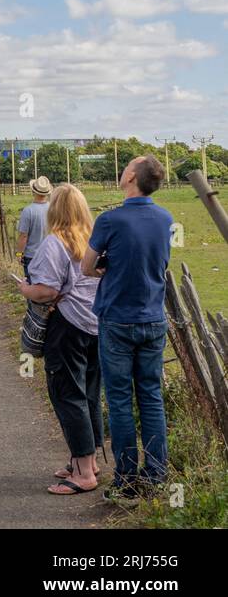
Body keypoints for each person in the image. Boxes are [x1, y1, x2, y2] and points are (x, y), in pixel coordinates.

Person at [83, 155, 173, 501]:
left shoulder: (110, 220)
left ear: (132, 177)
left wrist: (105, 267)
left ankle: (127, 478)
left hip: (117, 319)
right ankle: (157, 475)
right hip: (152, 318)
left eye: (127, 166)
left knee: (119, 400)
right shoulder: (165, 218)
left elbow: (86, 267)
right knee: (151, 397)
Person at [16, 184, 102, 495]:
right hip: (96, 323)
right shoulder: (96, 240)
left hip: (67, 324)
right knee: (89, 393)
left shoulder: (55, 243)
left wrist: (25, 289)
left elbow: (47, 290)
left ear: (55, 210)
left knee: (67, 394)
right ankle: (88, 460)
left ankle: (82, 473)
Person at [17, 176, 52, 278]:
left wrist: (19, 254)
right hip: (50, 254)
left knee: (32, 287)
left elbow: (23, 236)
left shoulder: (28, 211)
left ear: (34, 191)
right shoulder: (53, 209)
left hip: (32, 256)